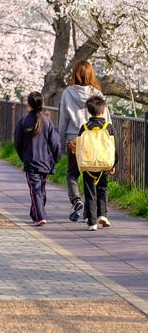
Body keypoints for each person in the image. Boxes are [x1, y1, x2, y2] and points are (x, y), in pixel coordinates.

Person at [58, 60, 110, 222]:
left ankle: (76, 200)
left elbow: (63, 120)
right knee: (92, 176)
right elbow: (107, 120)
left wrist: (60, 143)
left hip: (73, 139)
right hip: (93, 140)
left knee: (72, 173)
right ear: (90, 74)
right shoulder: (97, 94)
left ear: (74, 74)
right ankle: (91, 214)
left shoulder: (67, 93)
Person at [14, 91, 61, 227]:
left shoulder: (23, 121)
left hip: (31, 160)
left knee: (35, 189)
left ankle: (40, 216)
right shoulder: (47, 121)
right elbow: (55, 143)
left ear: (28, 104)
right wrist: (56, 158)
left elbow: (18, 142)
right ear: (43, 103)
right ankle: (36, 213)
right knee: (41, 188)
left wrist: (23, 157)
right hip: (45, 161)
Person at [76, 94, 116, 231]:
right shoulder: (108, 127)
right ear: (103, 110)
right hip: (104, 163)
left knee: (90, 192)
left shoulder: (84, 128)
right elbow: (114, 148)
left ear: (89, 111)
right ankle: (103, 215)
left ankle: (92, 222)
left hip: (88, 165)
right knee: (103, 189)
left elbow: (79, 147)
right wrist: (114, 164)